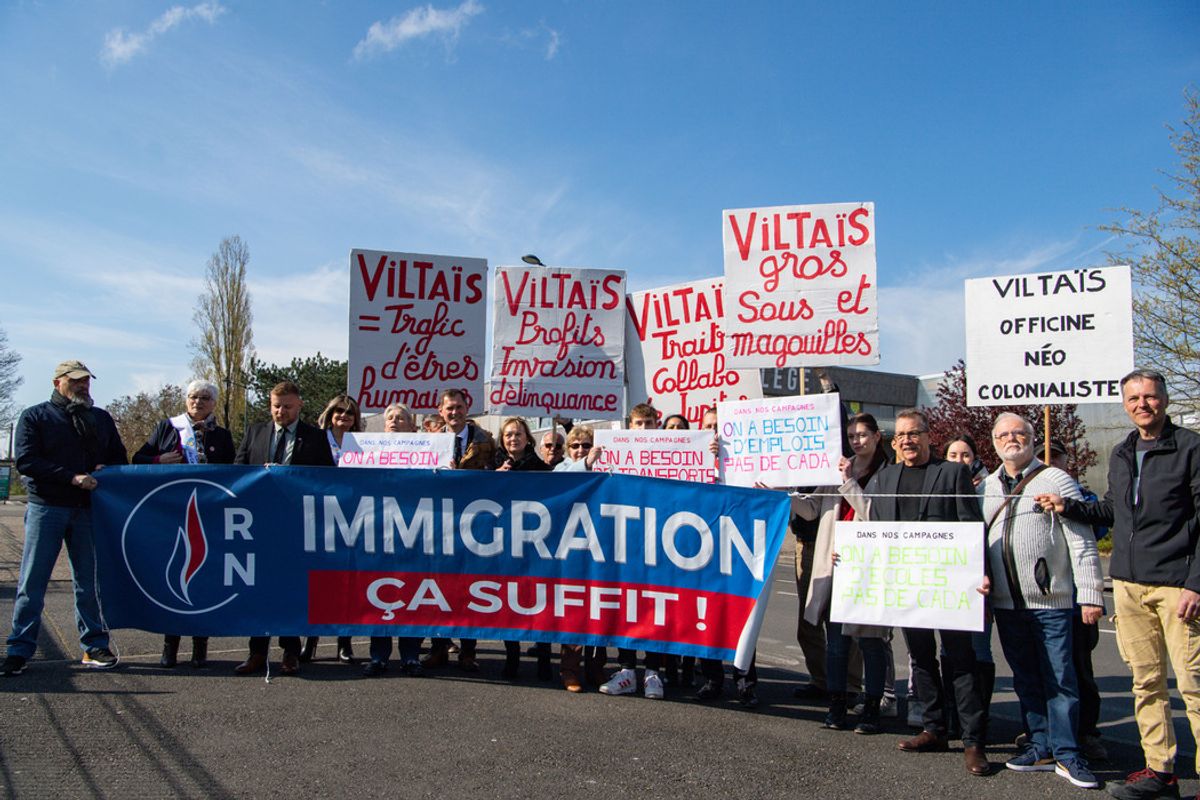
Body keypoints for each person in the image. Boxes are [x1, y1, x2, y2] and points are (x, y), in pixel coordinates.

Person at [1037, 370, 1200, 800]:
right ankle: (1159, 772)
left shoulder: (1191, 449)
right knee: (1145, 683)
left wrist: (1196, 584)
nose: (1142, 404)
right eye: (1133, 397)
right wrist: (1067, 506)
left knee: (1193, 685)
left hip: (1178, 586)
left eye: (1149, 396)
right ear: (1125, 403)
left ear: (1163, 400)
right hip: (1128, 585)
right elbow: (1113, 511)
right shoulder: (1124, 452)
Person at [849, 408, 991, 777]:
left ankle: (974, 741)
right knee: (921, 659)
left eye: (915, 434)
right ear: (894, 443)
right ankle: (934, 729)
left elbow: (970, 526)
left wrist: (982, 572)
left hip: (950, 586)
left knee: (960, 661)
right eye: (902, 436)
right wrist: (849, 554)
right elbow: (874, 530)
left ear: (929, 437)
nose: (908, 441)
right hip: (906, 587)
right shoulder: (885, 477)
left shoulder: (952, 473)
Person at [984, 413, 1104, 790]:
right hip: (1006, 603)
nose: (1011, 438)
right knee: (1026, 678)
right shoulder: (986, 486)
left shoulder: (1056, 479)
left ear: (1033, 438)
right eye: (1003, 434)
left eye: (1019, 432)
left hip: (1051, 601)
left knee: (1060, 680)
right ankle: (1040, 745)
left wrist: (1090, 594)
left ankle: (1068, 753)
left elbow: (1082, 542)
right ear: (994, 442)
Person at [3, 360, 127, 676]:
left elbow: (117, 456)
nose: (83, 386)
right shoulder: (36, 416)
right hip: (47, 507)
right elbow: (28, 462)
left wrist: (107, 470)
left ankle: (94, 646)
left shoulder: (100, 419)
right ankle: (19, 649)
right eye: (76, 381)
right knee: (33, 582)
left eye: (86, 381)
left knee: (88, 582)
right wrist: (72, 477)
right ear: (58, 382)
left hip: (88, 509)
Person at [794, 413, 890, 733]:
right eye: (851, 436)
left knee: (871, 642)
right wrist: (785, 495)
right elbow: (812, 508)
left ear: (877, 436)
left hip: (869, 569)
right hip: (836, 566)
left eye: (862, 435)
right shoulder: (837, 469)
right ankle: (836, 705)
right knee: (836, 643)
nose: (856, 441)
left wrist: (848, 482)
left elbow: (875, 515)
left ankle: (871, 706)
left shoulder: (887, 474)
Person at [232, 381, 334, 676]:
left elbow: (327, 478)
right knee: (260, 588)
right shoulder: (256, 432)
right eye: (276, 406)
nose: (281, 412)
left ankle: (291, 652)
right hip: (259, 525)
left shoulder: (315, 437)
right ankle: (256, 652)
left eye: (287, 407)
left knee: (290, 589)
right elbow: (237, 471)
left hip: (296, 525)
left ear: (299, 405)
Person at [131, 379, 235, 668]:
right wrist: (158, 459)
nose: (197, 402)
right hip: (172, 511)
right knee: (173, 577)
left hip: (208, 514)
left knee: (203, 578)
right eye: (192, 397)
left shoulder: (222, 436)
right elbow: (137, 457)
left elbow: (234, 473)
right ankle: (170, 645)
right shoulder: (168, 427)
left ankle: (200, 646)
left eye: (204, 398)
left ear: (213, 403)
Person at [1041, 438, 1109, 763]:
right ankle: (1050, 729)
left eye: (1056, 459)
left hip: (1078, 597)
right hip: (1047, 596)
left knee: (1081, 669)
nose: (1050, 465)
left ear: (1068, 462)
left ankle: (1087, 732)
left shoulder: (1083, 496)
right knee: (1049, 670)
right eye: (1044, 459)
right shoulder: (1031, 493)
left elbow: (1098, 530)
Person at [422, 388, 496, 672]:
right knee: (438, 588)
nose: (454, 412)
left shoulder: (486, 441)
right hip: (438, 525)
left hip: (474, 525)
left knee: (470, 590)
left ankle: (468, 651)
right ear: (440, 411)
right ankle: (439, 647)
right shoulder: (430, 442)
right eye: (449, 408)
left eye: (459, 407)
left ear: (468, 408)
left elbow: (496, 478)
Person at [600, 403, 669, 699]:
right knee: (626, 603)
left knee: (655, 605)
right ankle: (627, 669)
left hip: (662, 541)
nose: (643, 429)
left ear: (657, 423)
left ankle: (653, 672)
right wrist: (593, 462)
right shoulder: (617, 454)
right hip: (625, 542)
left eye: (648, 423)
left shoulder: (674, 454)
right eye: (638, 423)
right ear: (630, 425)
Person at [301, 394, 364, 664]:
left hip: (353, 514)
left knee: (347, 581)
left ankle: (344, 643)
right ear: (330, 413)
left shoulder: (363, 442)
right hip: (319, 515)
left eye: (349, 413)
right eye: (339, 412)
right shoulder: (316, 438)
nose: (344, 417)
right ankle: (310, 642)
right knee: (319, 581)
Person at [362, 403, 425, 678]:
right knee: (380, 595)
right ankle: (379, 656)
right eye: (390, 418)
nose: (394, 421)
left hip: (415, 534)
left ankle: (411, 656)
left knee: (412, 595)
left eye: (401, 418)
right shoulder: (366, 454)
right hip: (377, 535)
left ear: (413, 427)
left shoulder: (428, 454)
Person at [941, 434, 996, 739]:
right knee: (948, 649)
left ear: (975, 458)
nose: (959, 460)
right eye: (952, 455)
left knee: (979, 649)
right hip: (947, 579)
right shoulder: (938, 487)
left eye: (965, 455)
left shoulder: (990, 488)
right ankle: (954, 717)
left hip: (978, 578)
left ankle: (979, 718)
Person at [491, 417, 553, 680]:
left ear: (528, 438)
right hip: (505, 545)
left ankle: (545, 660)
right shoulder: (494, 466)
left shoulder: (541, 468)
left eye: (518, 434)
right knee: (508, 604)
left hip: (536, 544)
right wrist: (492, 480)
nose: (513, 439)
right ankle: (512, 656)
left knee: (540, 603)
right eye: (508, 435)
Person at [552, 425, 605, 690]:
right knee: (575, 608)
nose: (581, 450)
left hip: (604, 545)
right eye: (575, 446)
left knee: (602, 606)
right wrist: (586, 462)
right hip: (573, 548)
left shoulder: (605, 468)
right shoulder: (562, 468)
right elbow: (562, 485)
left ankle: (597, 668)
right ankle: (569, 670)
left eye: (586, 445)